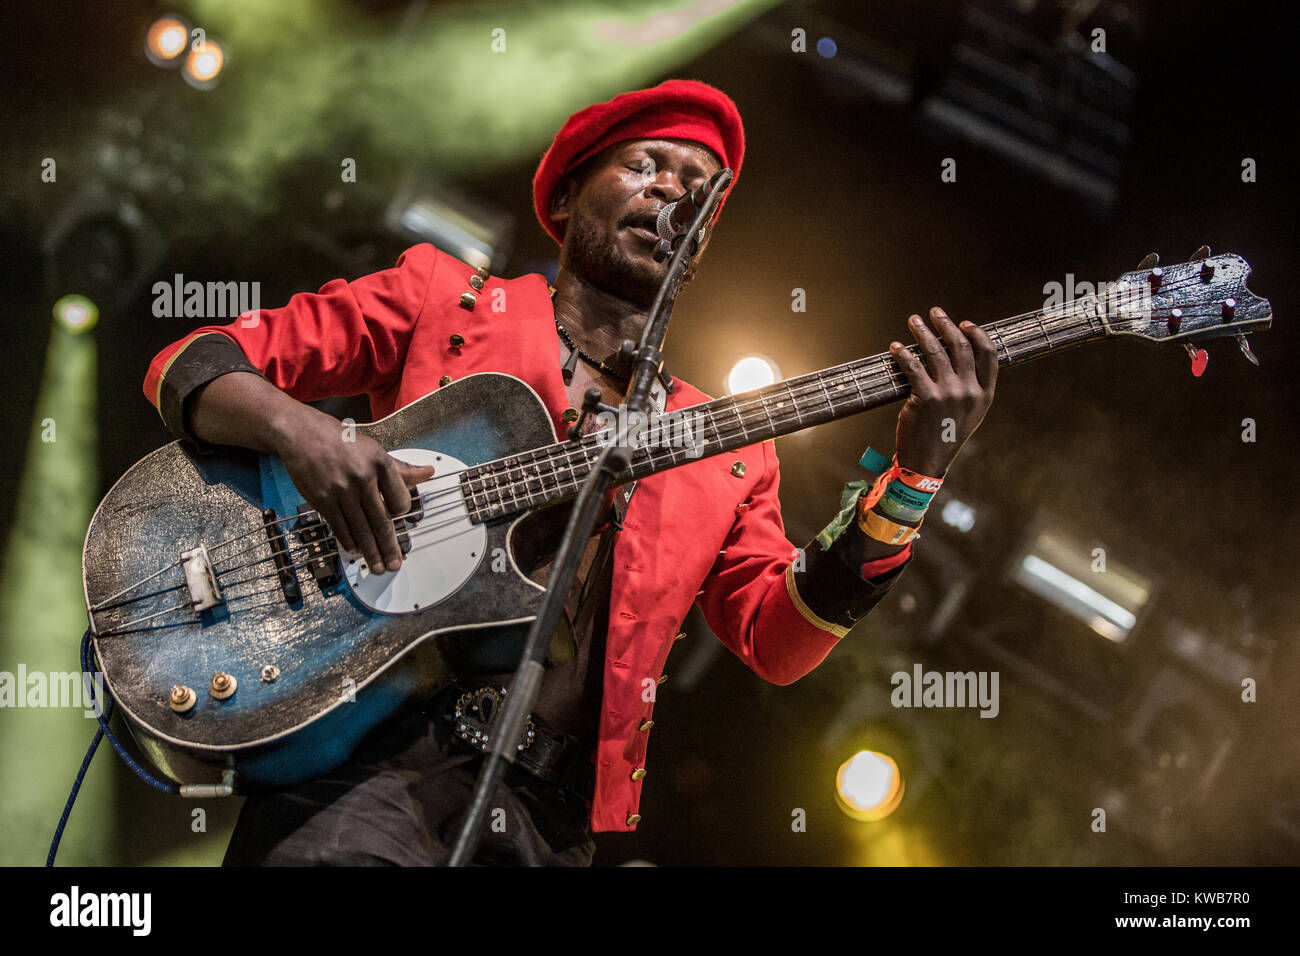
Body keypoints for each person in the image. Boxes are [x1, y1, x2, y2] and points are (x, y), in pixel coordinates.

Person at [142, 79, 997, 866]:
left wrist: (913, 480)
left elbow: (778, 641)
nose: (672, 192)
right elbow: (193, 360)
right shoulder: (443, 299)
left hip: (547, 824)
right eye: (645, 165)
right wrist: (308, 436)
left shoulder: (729, 448)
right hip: (363, 767)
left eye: (698, 189)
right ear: (565, 196)